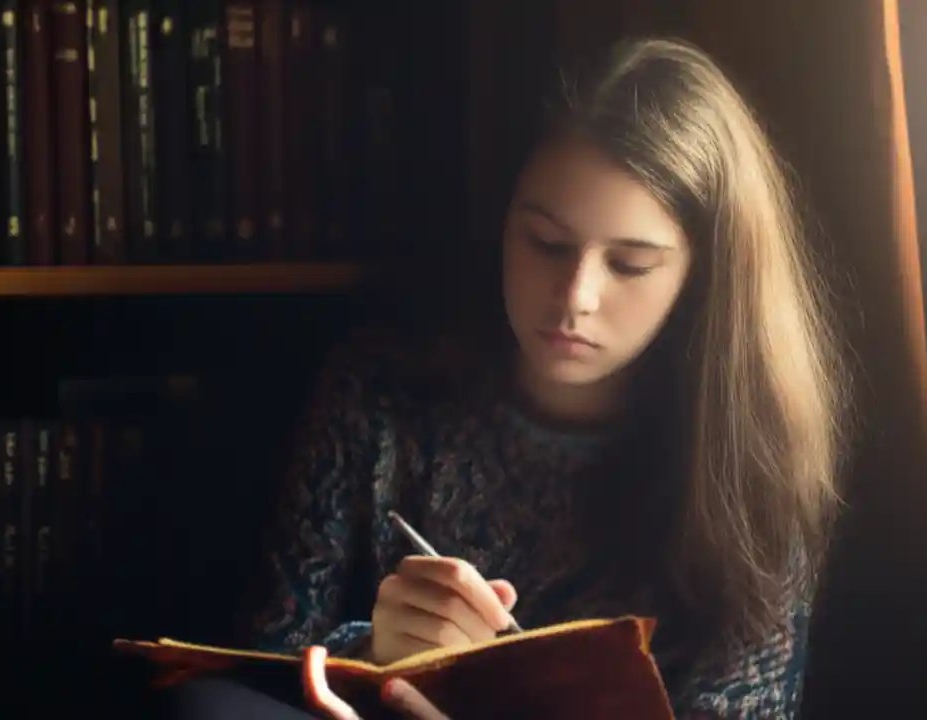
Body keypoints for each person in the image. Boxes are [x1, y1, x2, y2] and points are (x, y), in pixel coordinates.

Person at [172, 34, 849, 719]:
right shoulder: (380, 391)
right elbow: (268, 656)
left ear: (703, 280)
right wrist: (377, 652)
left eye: (630, 265)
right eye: (547, 244)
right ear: (502, 222)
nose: (575, 296)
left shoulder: (749, 471)